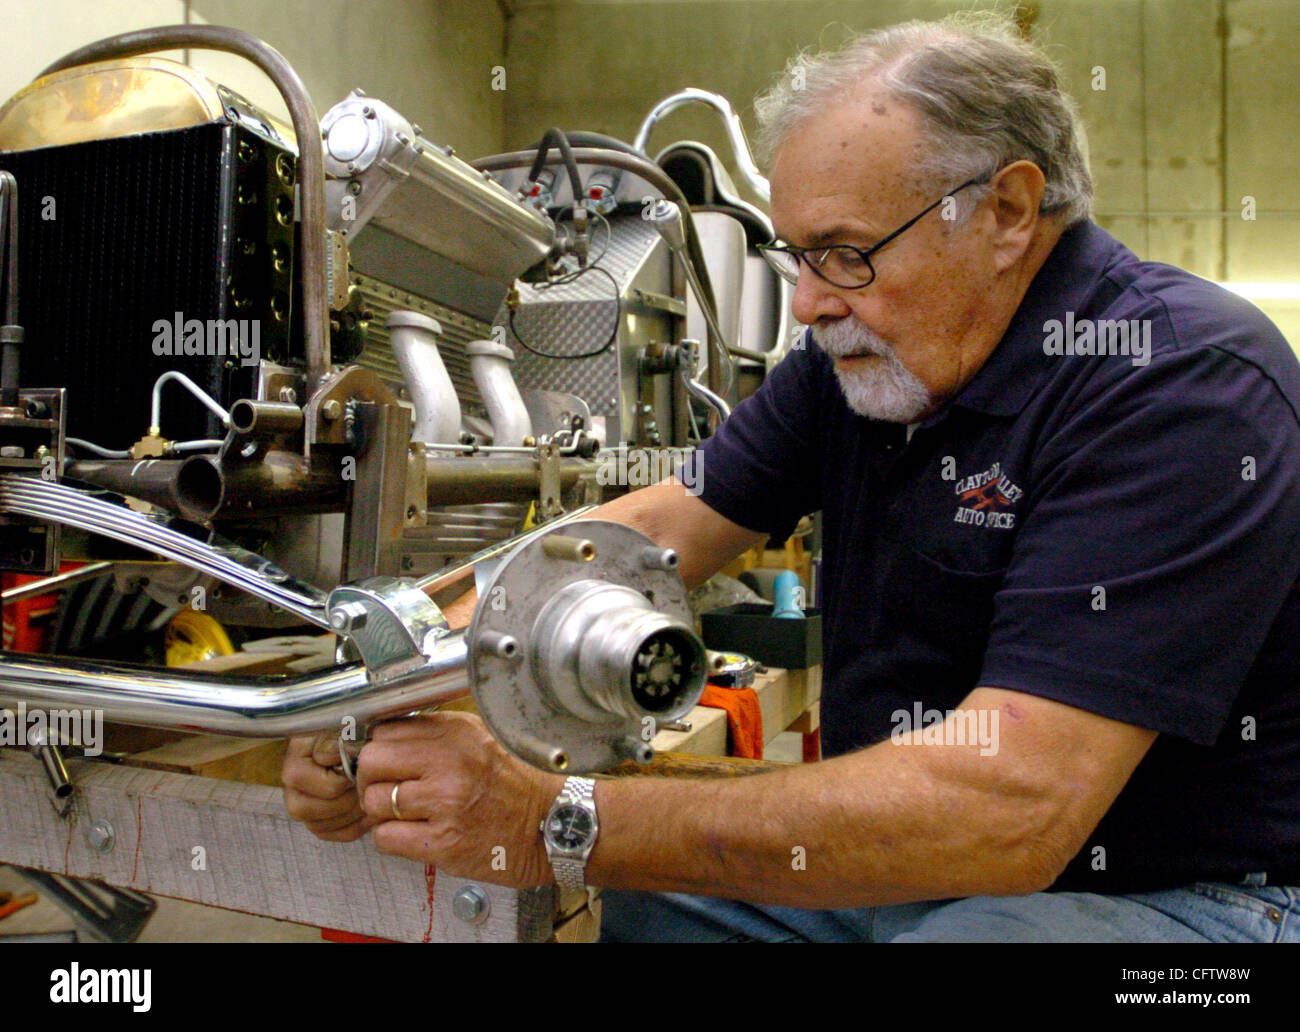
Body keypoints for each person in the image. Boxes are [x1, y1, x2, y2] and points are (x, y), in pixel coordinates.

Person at [282, 13, 1300, 941]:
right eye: (796, 255)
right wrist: (373, 690)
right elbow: (639, 538)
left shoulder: (1181, 386)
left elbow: (1011, 807)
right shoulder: (856, 361)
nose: (807, 301)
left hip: (1196, 902)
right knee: (660, 896)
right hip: (946, 875)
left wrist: (556, 815)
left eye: (843, 253)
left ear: (1005, 211)